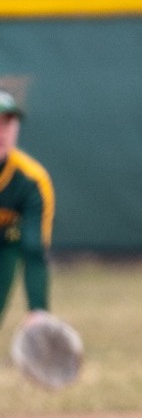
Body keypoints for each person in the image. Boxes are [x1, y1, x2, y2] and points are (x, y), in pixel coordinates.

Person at [0, 89, 56, 332]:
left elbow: (34, 248)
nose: (2, 131)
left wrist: (37, 310)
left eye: (8, 122)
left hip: (6, 241)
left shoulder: (32, 180)